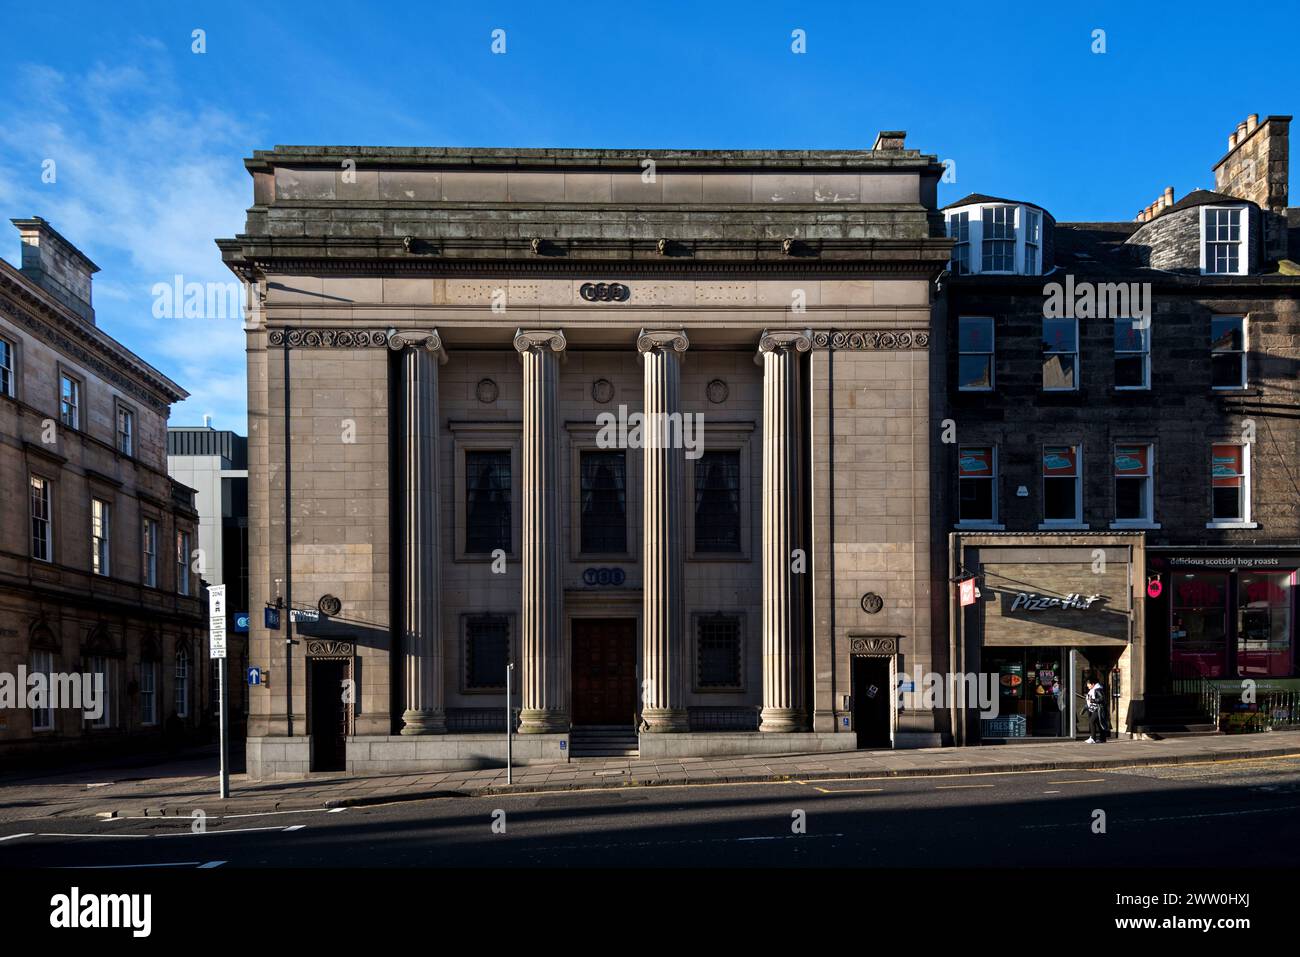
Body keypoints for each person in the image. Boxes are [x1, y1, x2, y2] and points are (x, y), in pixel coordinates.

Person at [1083, 676, 1108, 744]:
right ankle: (1102, 739)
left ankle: (1093, 738)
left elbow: (1102, 699)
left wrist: (1093, 700)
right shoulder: (1094, 689)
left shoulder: (1098, 689)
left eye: (1088, 684)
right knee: (1098, 723)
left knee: (1091, 721)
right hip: (1096, 708)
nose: (1087, 685)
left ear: (1093, 684)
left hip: (1098, 708)